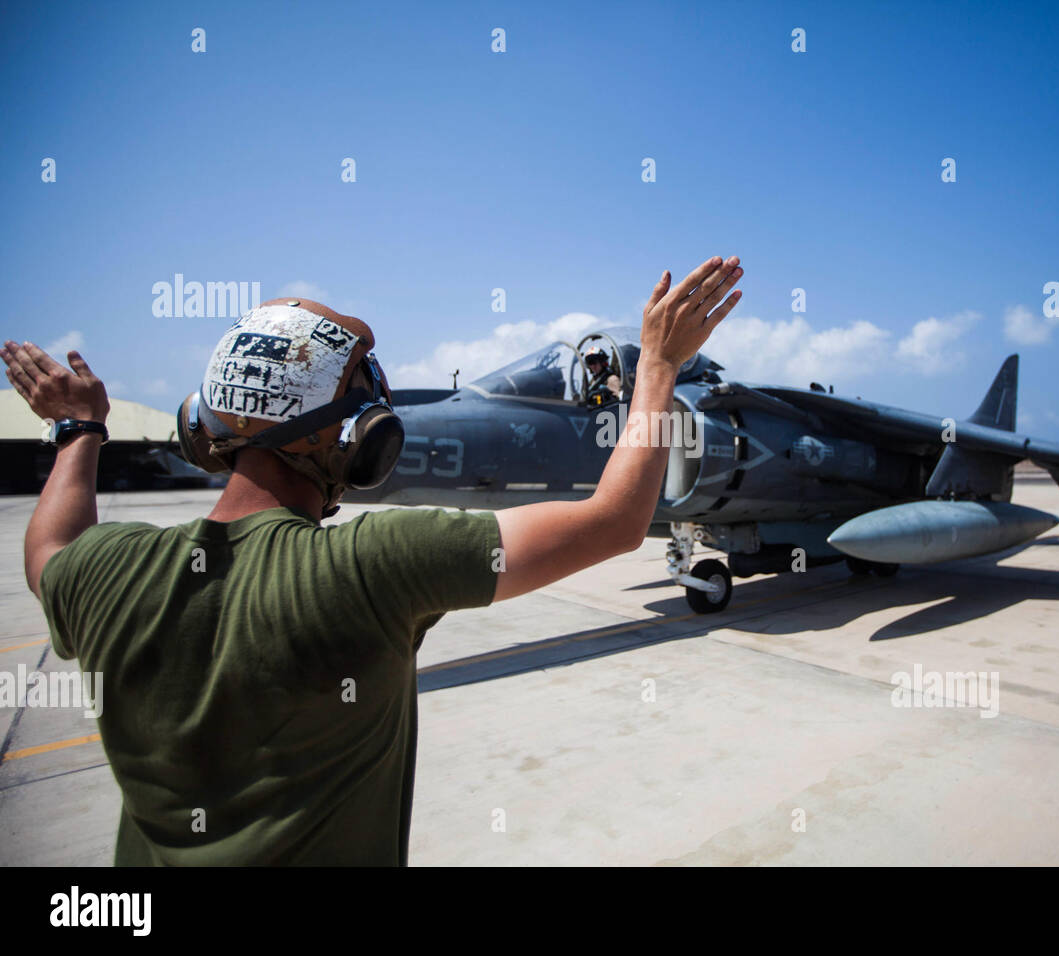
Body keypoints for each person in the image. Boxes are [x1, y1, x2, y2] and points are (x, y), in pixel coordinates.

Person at [1, 255, 742, 865]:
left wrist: (79, 430)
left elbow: (49, 550)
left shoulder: (103, 573)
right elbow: (613, 523)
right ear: (357, 437)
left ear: (206, 421)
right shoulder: (370, 566)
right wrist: (657, 371)